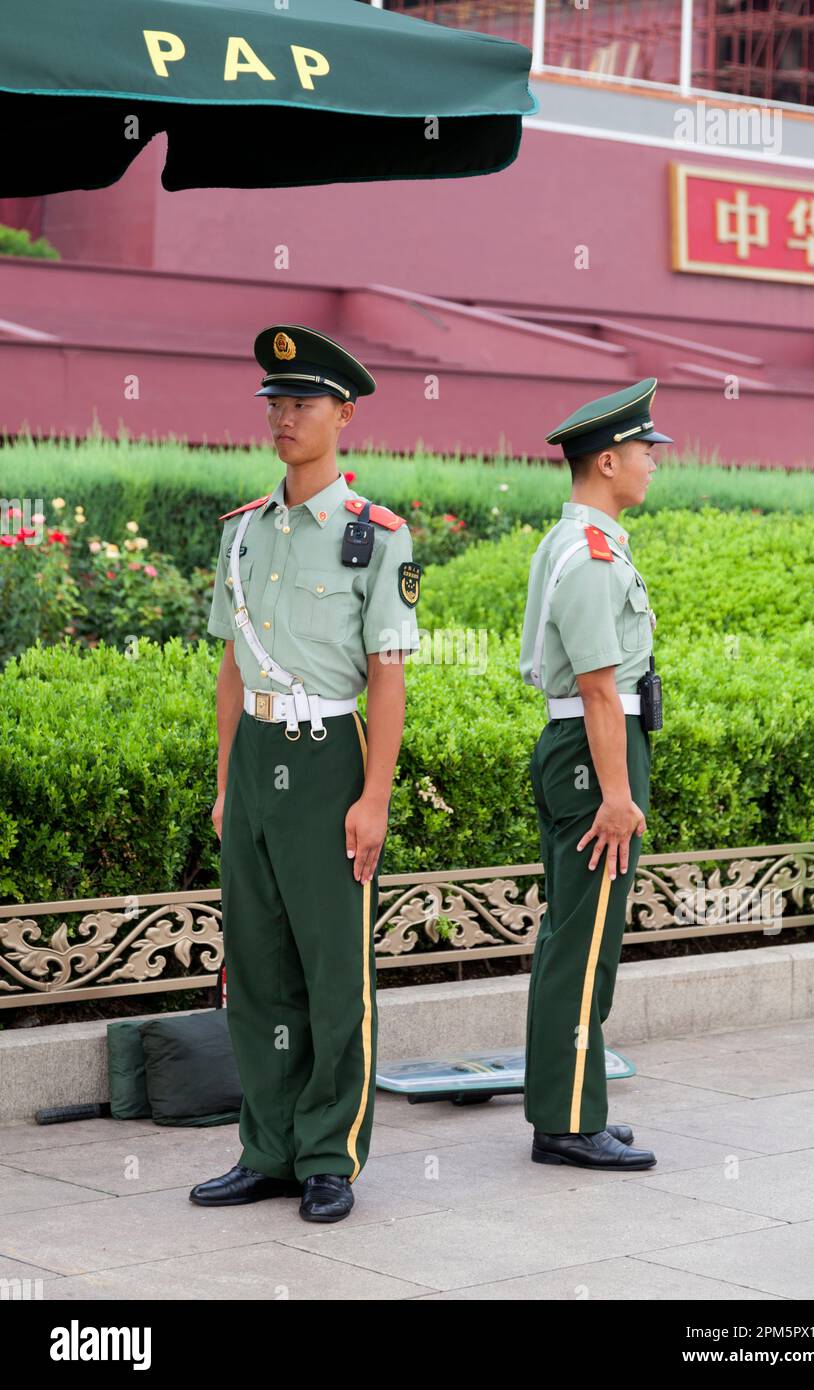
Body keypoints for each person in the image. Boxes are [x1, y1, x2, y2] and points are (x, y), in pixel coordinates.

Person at [190, 325, 421, 1222]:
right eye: (275, 404)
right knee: (255, 964)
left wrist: (374, 798)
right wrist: (224, 782)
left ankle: (330, 1154)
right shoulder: (244, 533)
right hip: (254, 758)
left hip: (329, 757)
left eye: (302, 404)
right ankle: (268, 1147)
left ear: (343, 415)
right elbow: (227, 669)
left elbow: (390, 678)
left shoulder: (375, 537)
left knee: (332, 968)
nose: (284, 417)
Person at [518, 377, 672, 1171]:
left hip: (589, 749)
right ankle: (567, 1120)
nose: (653, 463)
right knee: (583, 944)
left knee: (578, 937)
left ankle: (570, 1105)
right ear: (607, 460)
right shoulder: (589, 552)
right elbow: (598, 689)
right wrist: (617, 796)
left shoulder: (581, 541)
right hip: (592, 756)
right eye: (646, 452)